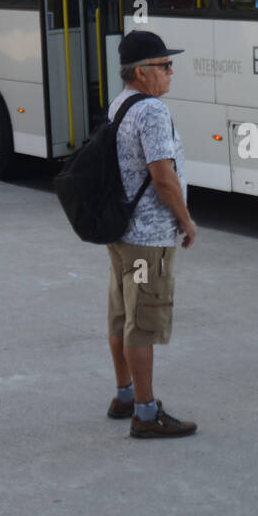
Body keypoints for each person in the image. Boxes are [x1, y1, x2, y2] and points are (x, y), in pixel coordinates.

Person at [104, 29, 199, 439]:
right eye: (164, 65)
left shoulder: (120, 105)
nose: (171, 71)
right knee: (141, 322)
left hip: (121, 233)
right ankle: (144, 413)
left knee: (122, 315)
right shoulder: (153, 112)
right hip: (148, 237)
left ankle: (125, 394)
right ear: (141, 72)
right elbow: (163, 176)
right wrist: (186, 219)